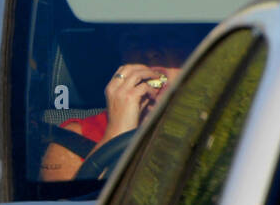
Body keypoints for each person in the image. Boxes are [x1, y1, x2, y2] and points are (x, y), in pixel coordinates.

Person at [39, 45, 185, 182]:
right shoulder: (76, 138)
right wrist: (116, 134)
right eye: (134, 40)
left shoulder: (206, 124)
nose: (149, 52)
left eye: (169, 37)